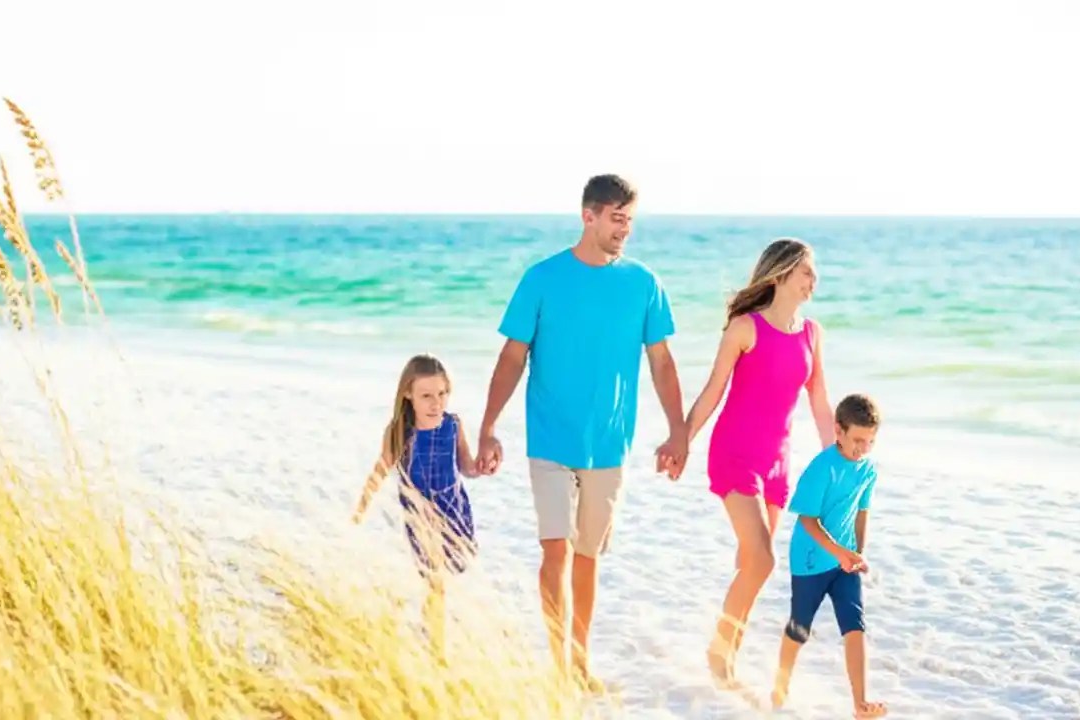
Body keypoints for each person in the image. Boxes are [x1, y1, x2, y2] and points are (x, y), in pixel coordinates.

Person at [475, 174, 687, 691]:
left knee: (588, 556)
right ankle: (555, 663)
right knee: (556, 549)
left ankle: (579, 662)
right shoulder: (542, 278)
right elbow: (512, 356)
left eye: (629, 221)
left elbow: (662, 363)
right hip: (550, 439)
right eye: (616, 219)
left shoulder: (643, 283)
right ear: (587, 216)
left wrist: (677, 431)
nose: (624, 231)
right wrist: (488, 426)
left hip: (609, 445)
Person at [678, 237, 836, 686]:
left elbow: (820, 400)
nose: (814, 280)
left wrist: (834, 462)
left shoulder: (812, 333)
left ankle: (726, 656)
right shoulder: (744, 328)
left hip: (777, 463)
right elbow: (713, 390)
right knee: (762, 559)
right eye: (807, 271)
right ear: (783, 273)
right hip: (735, 453)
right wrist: (683, 440)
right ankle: (718, 656)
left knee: (753, 563)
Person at [353, 354, 480, 652]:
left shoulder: (453, 425)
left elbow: (467, 466)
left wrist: (482, 466)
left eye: (442, 394)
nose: (436, 403)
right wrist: (360, 510)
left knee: (448, 575)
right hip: (421, 515)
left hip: (453, 508)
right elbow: (380, 471)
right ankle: (436, 645)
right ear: (408, 394)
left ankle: (428, 631)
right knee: (435, 582)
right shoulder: (400, 431)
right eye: (426, 396)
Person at [772, 394, 887, 718]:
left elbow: (862, 512)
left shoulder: (868, 469)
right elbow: (807, 519)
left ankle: (860, 704)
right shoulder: (823, 468)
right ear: (838, 431)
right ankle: (778, 690)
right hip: (811, 558)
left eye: (870, 441)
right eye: (857, 440)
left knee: (855, 625)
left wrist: (857, 553)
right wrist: (839, 552)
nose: (863, 448)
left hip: (844, 560)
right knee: (800, 627)